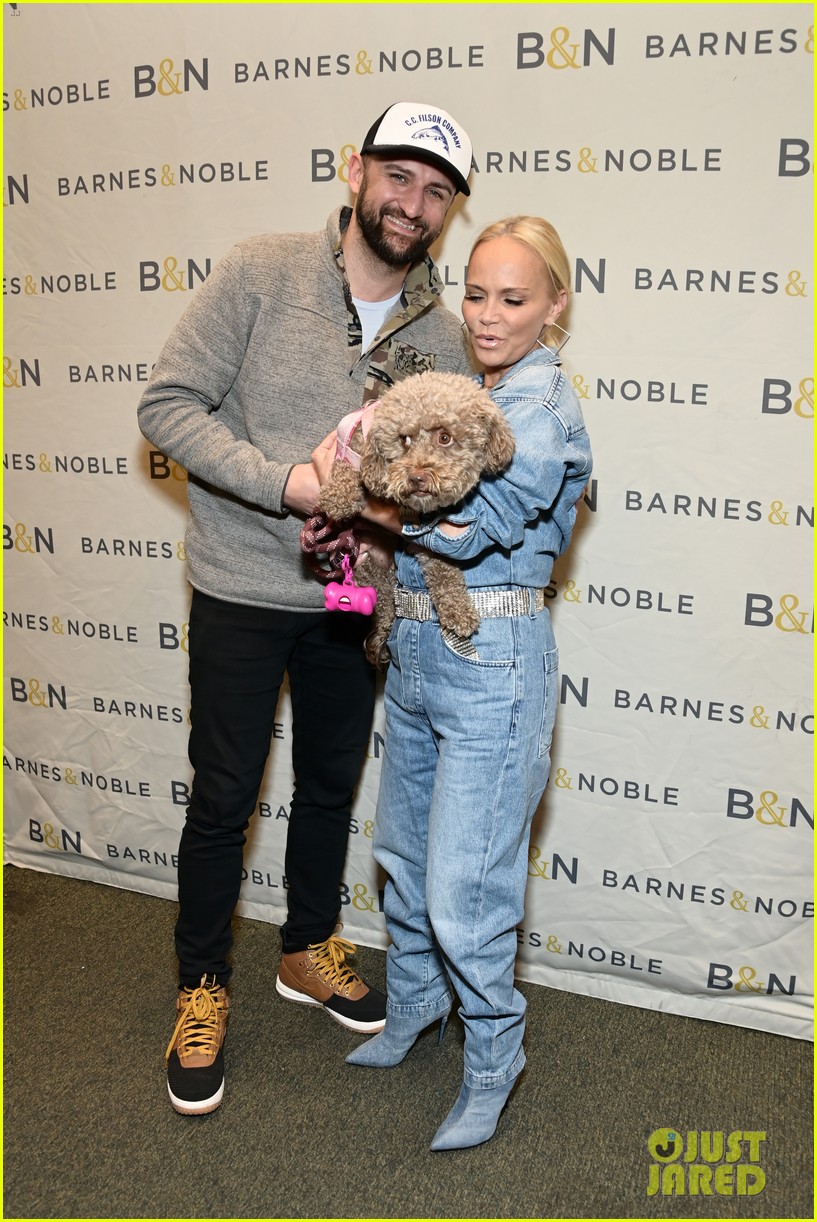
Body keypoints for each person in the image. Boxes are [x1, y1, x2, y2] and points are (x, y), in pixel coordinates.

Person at [136, 100, 475, 1116]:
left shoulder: (445, 333)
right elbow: (166, 406)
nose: (412, 204)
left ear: (450, 209)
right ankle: (202, 985)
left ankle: (305, 947)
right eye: (398, 177)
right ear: (354, 171)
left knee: (330, 784)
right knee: (223, 796)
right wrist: (287, 483)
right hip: (241, 585)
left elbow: (443, 468)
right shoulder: (260, 270)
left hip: (350, 595)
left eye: (436, 191)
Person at [335, 216, 592, 1150]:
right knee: (404, 858)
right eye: (475, 293)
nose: (486, 315)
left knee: (465, 891)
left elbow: (465, 527)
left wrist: (352, 485)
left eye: (513, 299)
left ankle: (494, 1059)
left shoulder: (540, 407)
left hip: (494, 661)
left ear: (555, 305)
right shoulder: (470, 393)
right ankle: (414, 1007)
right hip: (417, 645)